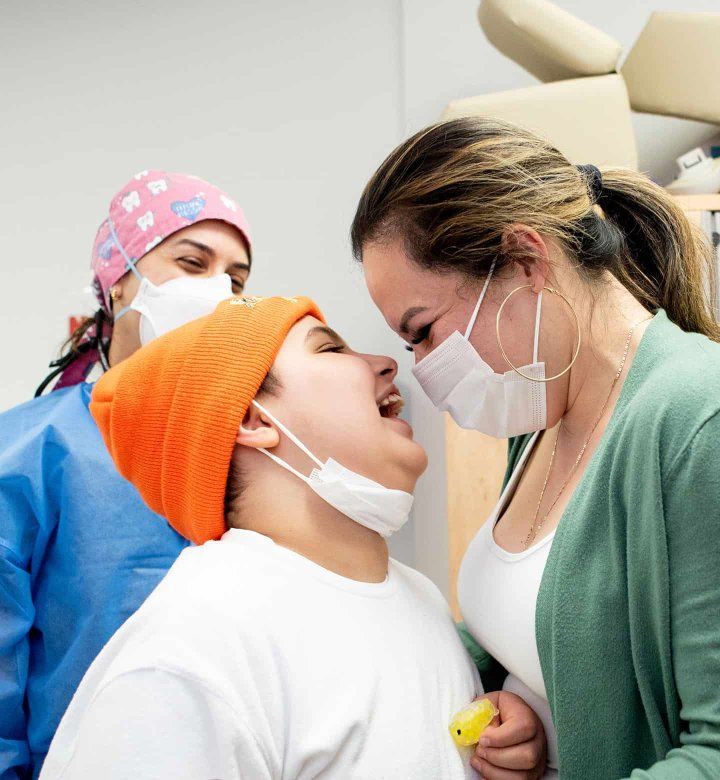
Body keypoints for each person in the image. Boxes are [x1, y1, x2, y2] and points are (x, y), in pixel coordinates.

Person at [350, 116, 720, 779]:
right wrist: (512, 711)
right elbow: (555, 643)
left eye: (424, 331)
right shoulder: (541, 406)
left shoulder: (697, 417)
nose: (423, 369)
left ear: (526, 260)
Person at [42, 294, 482, 779]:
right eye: (330, 349)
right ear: (254, 420)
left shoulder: (420, 598)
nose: (385, 363)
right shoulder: (192, 653)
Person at [0, 169, 252, 779]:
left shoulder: (252, 447)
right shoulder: (31, 450)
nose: (219, 291)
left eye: (237, 279)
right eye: (192, 263)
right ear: (118, 282)